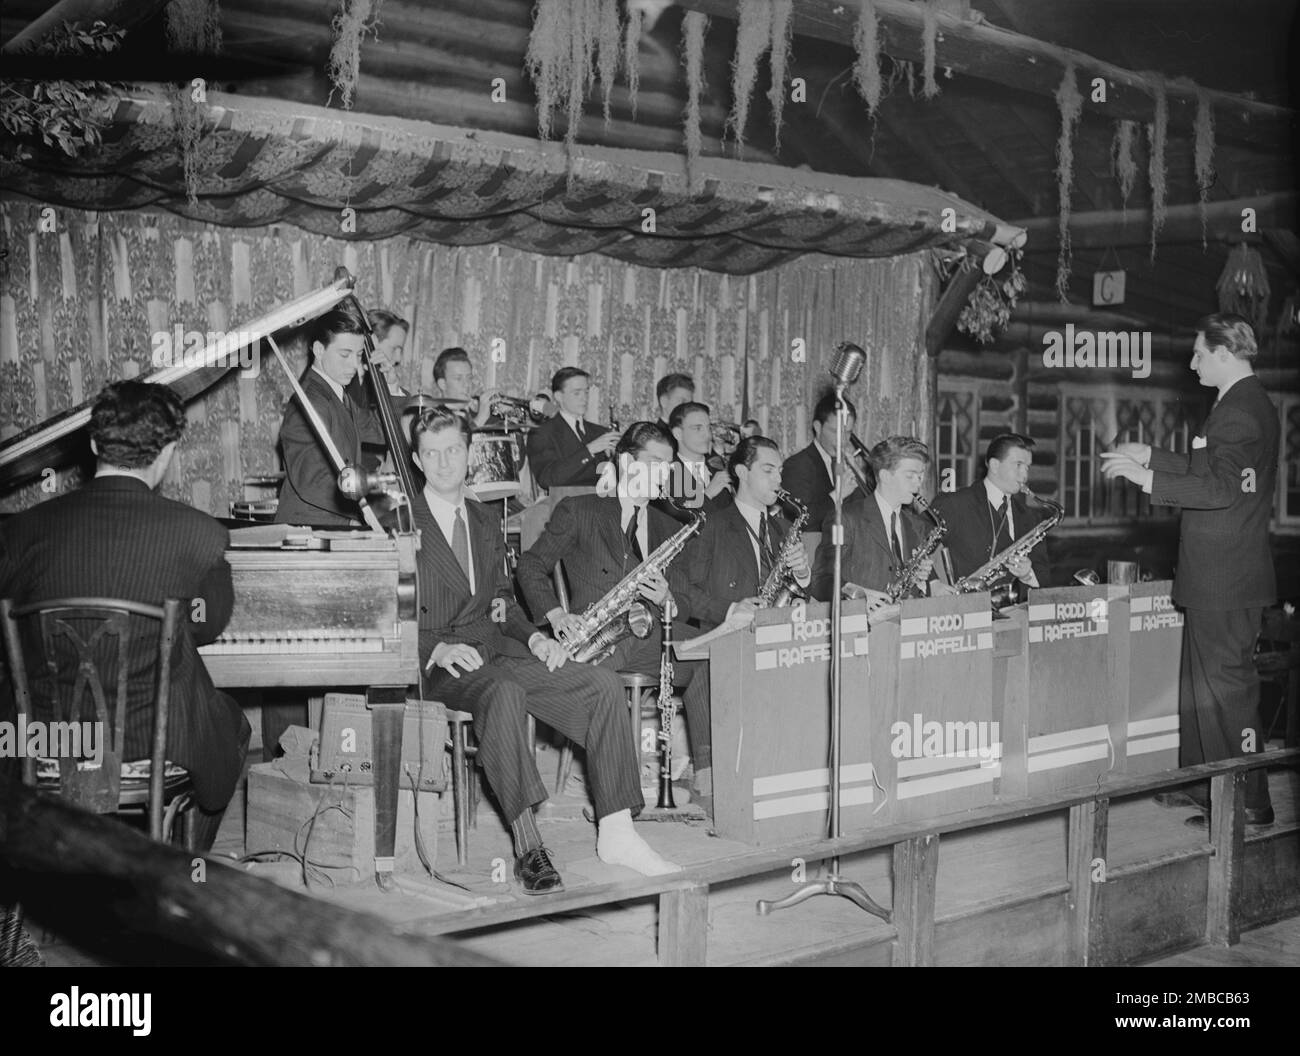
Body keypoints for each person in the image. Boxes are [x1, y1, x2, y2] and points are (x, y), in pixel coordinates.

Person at [408, 407, 680, 892]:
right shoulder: (402, 521)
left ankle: (618, 831)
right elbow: (388, 610)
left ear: (469, 453)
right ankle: (528, 844)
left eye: (452, 450)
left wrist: (536, 636)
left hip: (497, 651)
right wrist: (439, 648)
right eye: (432, 453)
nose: (444, 462)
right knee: (504, 693)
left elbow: (500, 601)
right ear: (417, 459)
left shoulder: (484, 517)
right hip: (441, 666)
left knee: (598, 684)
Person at [0, 382, 249, 852]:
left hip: (39, 743)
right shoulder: (200, 534)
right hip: (147, 747)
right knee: (232, 727)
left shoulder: (22, 531)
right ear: (169, 450)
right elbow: (207, 625)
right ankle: (179, 874)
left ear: (94, 445)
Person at [1102, 313, 1279, 828]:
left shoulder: (1241, 412)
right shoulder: (1238, 404)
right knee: (1202, 688)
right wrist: (1152, 454)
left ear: (1226, 352)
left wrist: (1146, 477)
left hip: (1227, 578)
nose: (1192, 361)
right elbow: (1213, 472)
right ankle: (1205, 785)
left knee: (1228, 690)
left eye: (1200, 353)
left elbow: (1222, 491)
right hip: (1216, 576)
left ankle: (1248, 801)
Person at [675, 436, 809, 798]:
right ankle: (708, 773)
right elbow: (685, 593)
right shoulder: (711, 525)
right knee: (709, 672)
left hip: (775, 637)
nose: (778, 480)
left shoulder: (783, 530)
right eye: (768, 470)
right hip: (725, 635)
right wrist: (732, 610)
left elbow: (801, 595)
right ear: (740, 472)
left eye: (780, 471)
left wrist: (803, 576)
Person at [275, 301, 386, 527]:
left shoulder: (335, 393)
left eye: (358, 354)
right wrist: (356, 514)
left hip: (332, 523)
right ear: (318, 350)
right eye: (345, 354)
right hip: (310, 528)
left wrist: (390, 386)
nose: (355, 365)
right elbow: (313, 480)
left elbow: (379, 430)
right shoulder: (309, 401)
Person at [810, 436, 950, 610]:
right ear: (885, 476)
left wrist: (921, 582)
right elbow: (820, 580)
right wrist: (856, 594)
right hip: (861, 625)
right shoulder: (846, 518)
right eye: (910, 476)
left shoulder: (917, 526)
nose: (918, 483)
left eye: (920, 476)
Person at [931, 433, 1052, 598]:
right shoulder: (955, 504)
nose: (1024, 475)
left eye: (1027, 467)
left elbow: (1044, 576)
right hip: (967, 611)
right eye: (1018, 465)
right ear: (994, 465)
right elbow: (915, 546)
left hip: (1015, 615)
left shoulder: (1029, 517)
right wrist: (934, 584)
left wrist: (1028, 575)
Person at [781, 391, 862, 534]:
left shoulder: (848, 465)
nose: (843, 440)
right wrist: (838, 495)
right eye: (836, 431)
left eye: (848, 432)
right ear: (817, 427)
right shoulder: (797, 465)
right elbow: (800, 522)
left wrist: (860, 476)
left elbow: (864, 516)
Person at [525, 367, 616, 490]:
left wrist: (617, 458)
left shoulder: (601, 432)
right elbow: (547, 479)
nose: (584, 398)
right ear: (559, 397)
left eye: (586, 392)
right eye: (577, 393)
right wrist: (588, 451)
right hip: (566, 505)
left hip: (604, 502)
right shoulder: (542, 433)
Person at [669, 401, 733, 509]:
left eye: (708, 428)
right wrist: (707, 495)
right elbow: (678, 522)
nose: (707, 435)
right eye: (698, 428)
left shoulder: (719, 468)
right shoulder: (667, 474)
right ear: (678, 433)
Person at [432, 347, 496, 430]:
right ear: (442, 384)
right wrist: (480, 419)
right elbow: (455, 441)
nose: (467, 384)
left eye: (469, 378)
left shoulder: (478, 409)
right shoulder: (434, 418)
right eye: (458, 378)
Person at [367, 309, 409, 396]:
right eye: (394, 349)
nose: (398, 358)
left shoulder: (402, 395)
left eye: (400, 350)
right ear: (373, 342)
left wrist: (392, 388)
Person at [655, 373, 695, 439]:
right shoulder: (656, 437)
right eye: (683, 401)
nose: (688, 408)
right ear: (664, 401)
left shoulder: (693, 434)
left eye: (690, 403)